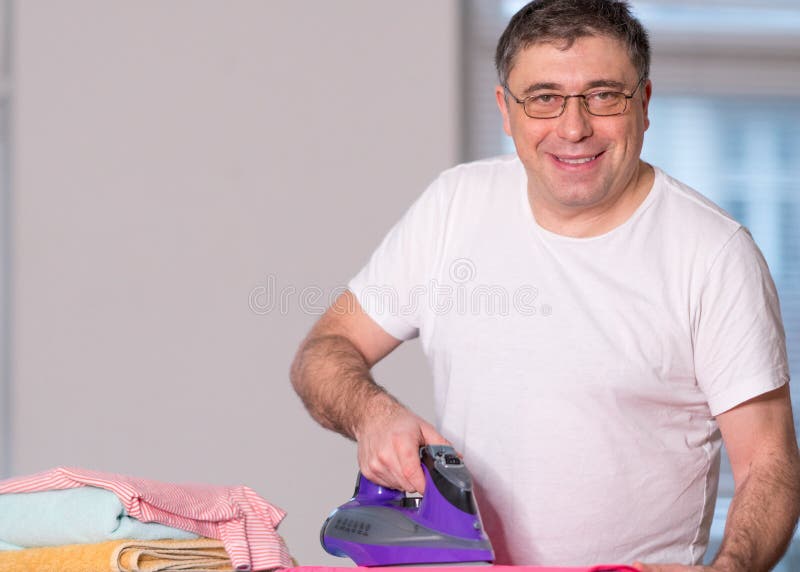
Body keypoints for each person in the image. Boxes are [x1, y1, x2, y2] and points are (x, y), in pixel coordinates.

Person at [290, 1, 800, 570]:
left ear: (645, 104)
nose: (574, 128)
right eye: (544, 98)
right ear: (506, 110)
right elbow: (324, 352)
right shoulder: (455, 206)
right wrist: (373, 414)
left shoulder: (714, 254)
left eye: (604, 95)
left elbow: (768, 464)